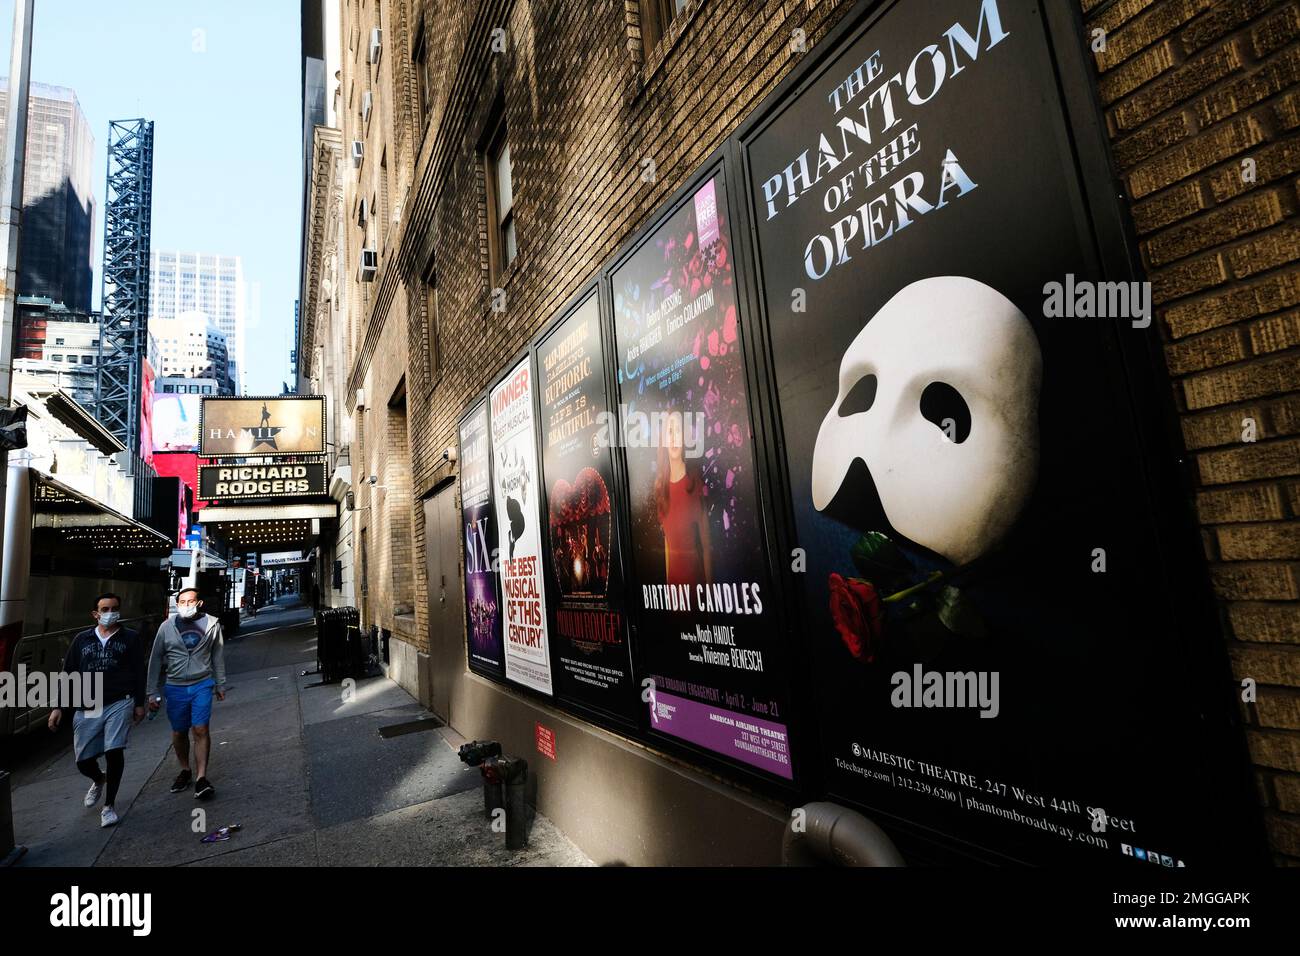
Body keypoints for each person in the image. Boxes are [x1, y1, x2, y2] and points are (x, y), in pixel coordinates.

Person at [47, 593, 147, 829]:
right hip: (87, 705)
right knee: (83, 760)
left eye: (114, 608)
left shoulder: (130, 638)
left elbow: (138, 671)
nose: (110, 612)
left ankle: (109, 806)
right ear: (95, 614)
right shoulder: (81, 640)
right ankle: (99, 778)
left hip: (119, 701)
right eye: (104, 609)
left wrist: (140, 703)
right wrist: (58, 707)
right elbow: (68, 673)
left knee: (114, 751)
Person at [147, 587, 226, 800]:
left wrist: (220, 684)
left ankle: (201, 778)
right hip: (175, 686)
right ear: (177, 603)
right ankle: (185, 770)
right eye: (182, 601)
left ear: (199, 603)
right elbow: (155, 659)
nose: (186, 605)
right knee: (179, 731)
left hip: (202, 683)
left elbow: (217, 654)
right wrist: (151, 691)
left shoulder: (212, 624)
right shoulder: (167, 627)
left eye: (190, 601)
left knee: (200, 729)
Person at [654, 408, 713, 586]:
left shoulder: (696, 484)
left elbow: (707, 548)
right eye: (669, 431)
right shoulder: (660, 490)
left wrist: (710, 604)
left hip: (698, 596)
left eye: (678, 430)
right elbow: (667, 548)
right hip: (675, 601)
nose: (673, 437)